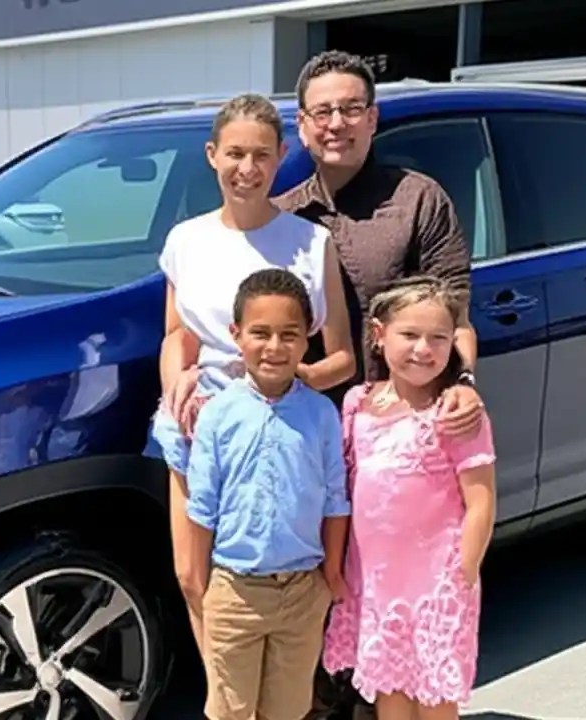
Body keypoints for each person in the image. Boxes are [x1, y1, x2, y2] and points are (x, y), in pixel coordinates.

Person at [273, 50, 488, 720]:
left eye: (350, 108)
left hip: (407, 442)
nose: (336, 123)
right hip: (315, 436)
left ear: (373, 117)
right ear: (302, 125)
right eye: (322, 111)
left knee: (396, 603)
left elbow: (454, 314)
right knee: (324, 595)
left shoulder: (417, 199)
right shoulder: (280, 219)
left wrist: (464, 380)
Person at [152, 92, 357, 654]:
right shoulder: (186, 241)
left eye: (262, 155)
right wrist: (176, 384)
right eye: (235, 154)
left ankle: (278, 693)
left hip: (281, 423)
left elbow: (342, 356)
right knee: (193, 576)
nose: (248, 168)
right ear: (212, 155)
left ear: (281, 156)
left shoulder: (311, 242)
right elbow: (177, 334)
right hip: (199, 418)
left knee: (272, 576)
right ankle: (224, 695)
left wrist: (289, 382)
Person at [321, 276, 497, 720]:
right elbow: (345, 490)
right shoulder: (358, 404)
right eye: (410, 334)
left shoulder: (456, 413)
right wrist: (337, 565)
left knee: (435, 696)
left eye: (438, 338)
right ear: (379, 335)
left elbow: (481, 501)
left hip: (437, 584)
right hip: (376, 585)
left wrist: (463, 573)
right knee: (391, 692)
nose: (423, 349)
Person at [182, 267, 350, 720]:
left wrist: (332, 572)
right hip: (235, 589)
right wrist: (199, 581)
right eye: (261, 333)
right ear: (236, 335)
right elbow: (202, 504)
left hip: (302, 591)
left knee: (289, 710)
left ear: (306, 339)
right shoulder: (218, 414)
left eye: (288, 334)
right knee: (230, 710)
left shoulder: (321, 414)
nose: (275, 347)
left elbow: (335, 498)